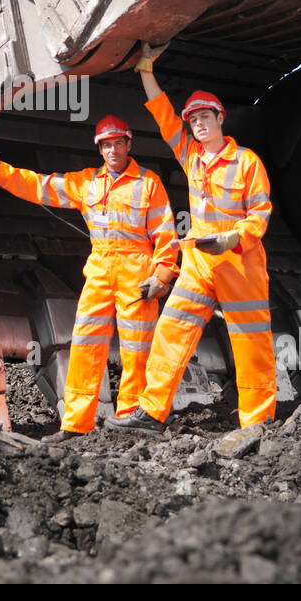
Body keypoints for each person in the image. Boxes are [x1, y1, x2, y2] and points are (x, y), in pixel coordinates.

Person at [0, 115, 179, 443]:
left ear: (129, 145)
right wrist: (2, 171)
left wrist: (162, 273)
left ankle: (130, 419)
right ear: (99, 149)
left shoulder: (148, 183)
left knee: (137, 349)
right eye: (106, 144)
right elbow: (41, 186)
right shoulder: (86, 182)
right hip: (100, 270)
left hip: (137, 272)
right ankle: (76, 423)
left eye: (118, 143)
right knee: (85, 346)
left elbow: (166, 233)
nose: (113, 149)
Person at [113, 41, 276, 432]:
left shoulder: (246, 161)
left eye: (205, 117)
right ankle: (151, 411)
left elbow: (260, 216)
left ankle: (258, 423)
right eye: (194, 120)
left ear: (220, 119)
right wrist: (147, 71)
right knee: (171, 330)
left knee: (251, 343)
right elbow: (164, 117)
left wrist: (232, 239)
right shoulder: (191, 156)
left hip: (241, 263)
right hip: (200, 263)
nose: (198, 124)